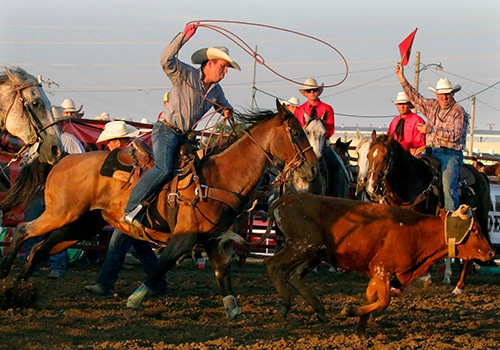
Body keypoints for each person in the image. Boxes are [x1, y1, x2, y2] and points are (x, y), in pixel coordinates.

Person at [122, 23, 240, 227]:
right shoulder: (185, 74)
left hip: (185, 137)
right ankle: (131, 208)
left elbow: (224, 106)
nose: (225, 72)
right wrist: (184, 37)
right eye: (223, 67)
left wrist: (227, 111)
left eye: (226, 68)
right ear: (210, 63)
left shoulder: (216, 90)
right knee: (163, 168)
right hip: (166, 130)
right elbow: (165, 59)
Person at [85, 121, 167, 296]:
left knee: (117, 244)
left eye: (110, 141)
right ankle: (158, 284)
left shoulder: (130, 158)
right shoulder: (137, 154)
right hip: (138, 209)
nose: (107, 145)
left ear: (117, 141)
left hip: (133, 210)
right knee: (141, 248)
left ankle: (105, 283)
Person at [22, 106, 86, 279]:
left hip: (59, 195)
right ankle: (38, 263)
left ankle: (55, 264)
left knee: (54, 230)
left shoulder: (69, 141)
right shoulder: (37, 143)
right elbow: (25, 164)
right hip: (40, 192)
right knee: (33, 226)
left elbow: (83, 166)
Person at [395, 62, 468, 211]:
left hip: (450, 154)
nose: (444, 97)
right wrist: (401, 77)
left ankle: (451, 217)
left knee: (448, 185)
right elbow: (415, 98)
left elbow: (455, 135)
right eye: (441, 94)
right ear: (436, 94)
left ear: (453, 94)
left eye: (447, 93)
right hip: (430, 151)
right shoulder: (432, 106)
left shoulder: (458, 111)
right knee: (412, 172)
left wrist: (431, 130)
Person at [294, 78, 348, 198]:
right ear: (305, 93)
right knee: (282, 167)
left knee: (339, 168)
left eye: (314, 90)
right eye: (309, 91)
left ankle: (337, 199)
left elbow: (330, 129)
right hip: (304, 147)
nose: (312, 93)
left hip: (323, 146)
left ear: (318, 91)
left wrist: (321, 137)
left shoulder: (327, 109)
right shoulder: (299, 110)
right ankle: (278, 197)